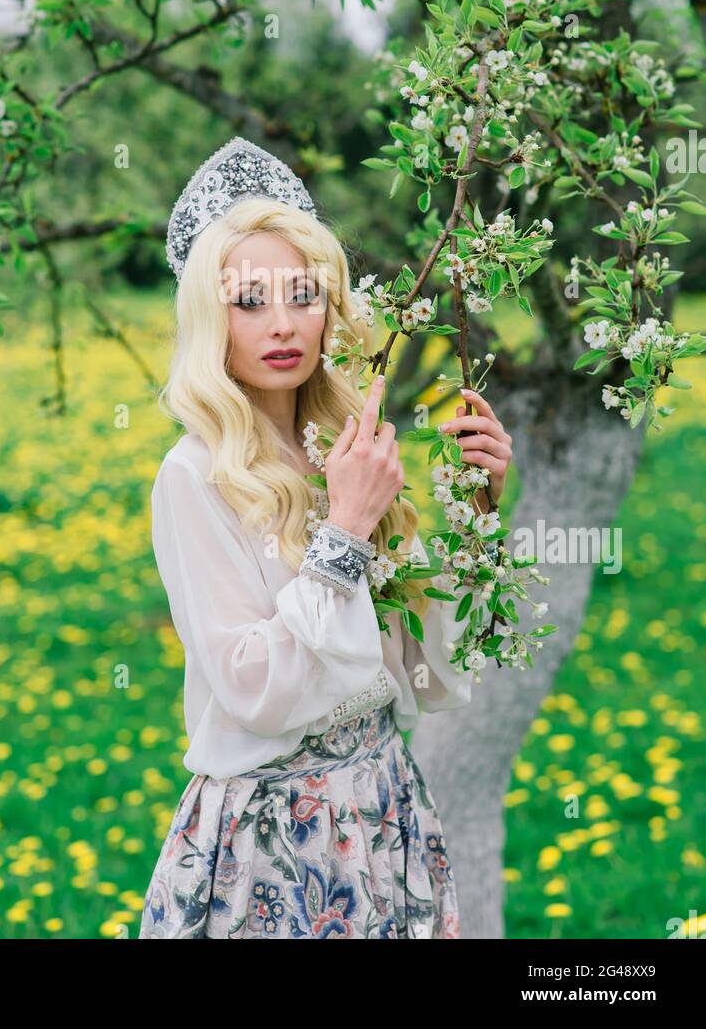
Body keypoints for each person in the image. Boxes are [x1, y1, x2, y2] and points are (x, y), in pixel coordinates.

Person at [138, 137, 513, 939]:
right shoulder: (193, 474)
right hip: (273, 841)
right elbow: (251, 691)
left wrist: (478, 514)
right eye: (247, 301)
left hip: (384, 814)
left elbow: (425, 672)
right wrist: (343, 531)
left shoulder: (344, 449)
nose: (281, 324)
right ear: (211, 317)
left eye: (302, 294)